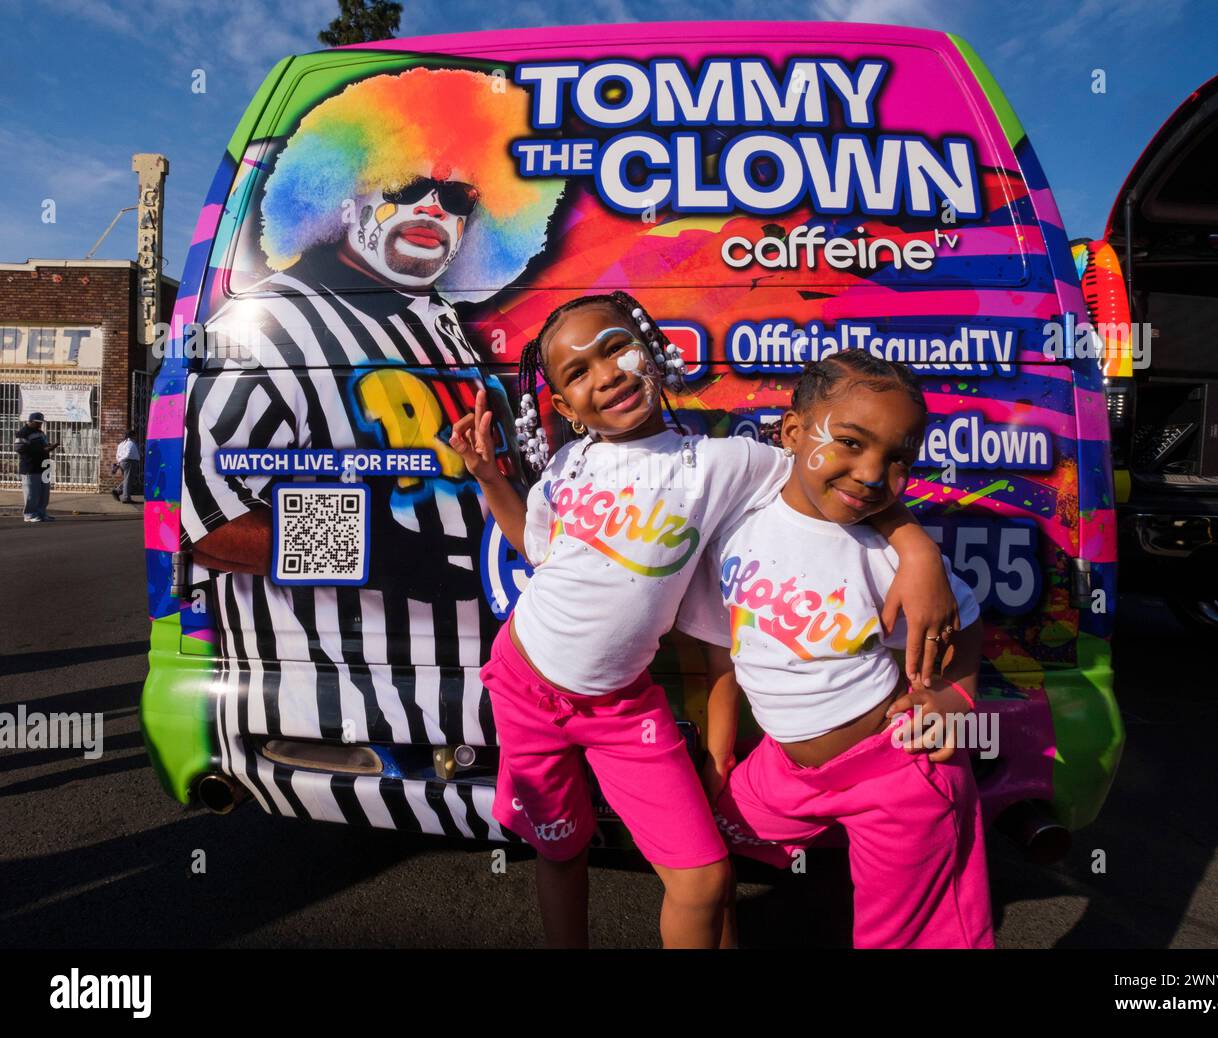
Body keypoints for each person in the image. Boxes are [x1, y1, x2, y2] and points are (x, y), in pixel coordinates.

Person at [447, 290, 961, 948]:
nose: (605, 375)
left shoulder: (724, 463)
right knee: (561, 849)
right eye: (577, 373)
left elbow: (840, 476)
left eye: (616, 349)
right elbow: (536, 548)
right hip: (523, 684)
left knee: (705, 880)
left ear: (653, 352)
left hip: (621, 708)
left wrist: (916, 551)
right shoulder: (569, 464)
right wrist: (489, 477)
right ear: (566, 409)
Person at [178, 67, 565, 837]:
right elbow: (209, 521)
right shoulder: (272, 325)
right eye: (408, 184)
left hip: (480, 684)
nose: (434, 208)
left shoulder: (437, 323)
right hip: (341, 696)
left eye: (458, 197)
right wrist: (378, 550)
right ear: (344, 197)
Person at [677, 351, 994, 949]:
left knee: (901, 935)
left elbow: (966, 619)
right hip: (785, 771)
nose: (873, 474)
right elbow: (723, 654)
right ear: (793, 431)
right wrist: (718, 759)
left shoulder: (891, 556)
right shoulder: (738, 525)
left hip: (897, 774)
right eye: (850, 442)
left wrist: (958, 699)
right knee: (700, 849)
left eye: (898, 459)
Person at [14, 412, 59, 523]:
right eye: (37, 422)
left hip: (44, 466)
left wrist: (49, 446)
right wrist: (43, 450)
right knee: (31, 493)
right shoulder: (23, 433)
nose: (40, 425)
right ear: (30, 421)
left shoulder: (40, 433)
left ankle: (41, 513)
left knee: (44, 493)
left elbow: (43, 446)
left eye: (41, 423)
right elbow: (20, 448)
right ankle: (29, 515)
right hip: (30, 467)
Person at [113, 431, 141, 503]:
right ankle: (126, 498)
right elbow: (128, 454)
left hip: (123, 462)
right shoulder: (130, 443)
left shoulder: (121, 444)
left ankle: (117, 491)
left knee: (127, 479)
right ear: (133, 436)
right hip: (130, 462)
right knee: (128, 480)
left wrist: (119, 461)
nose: (136, 437)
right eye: (135, 435)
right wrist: (124, 459)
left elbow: (117, 455)